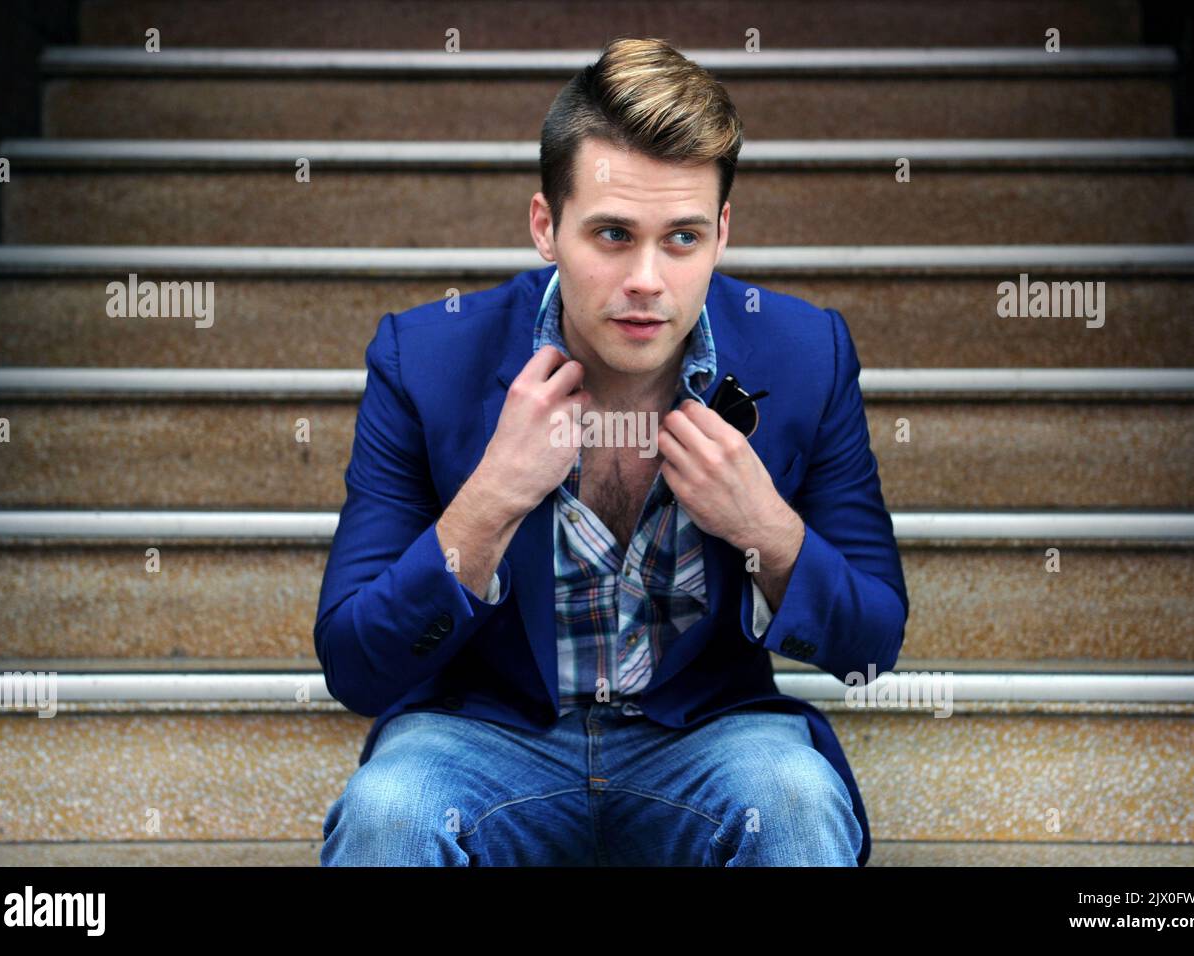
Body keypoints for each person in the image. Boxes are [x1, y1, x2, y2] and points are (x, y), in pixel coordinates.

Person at [316, 35, 908, 866]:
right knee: (389, 811)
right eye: (612, 235)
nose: (647, 280)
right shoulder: (426, 360)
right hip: (483, 736)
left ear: (723, 233)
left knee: (796, 800)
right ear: (544, 226)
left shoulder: (807, 355)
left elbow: (872, 642)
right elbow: (355, 664)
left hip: (708, 737)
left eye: (682, 238)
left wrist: (768, 531)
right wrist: (490, 500)